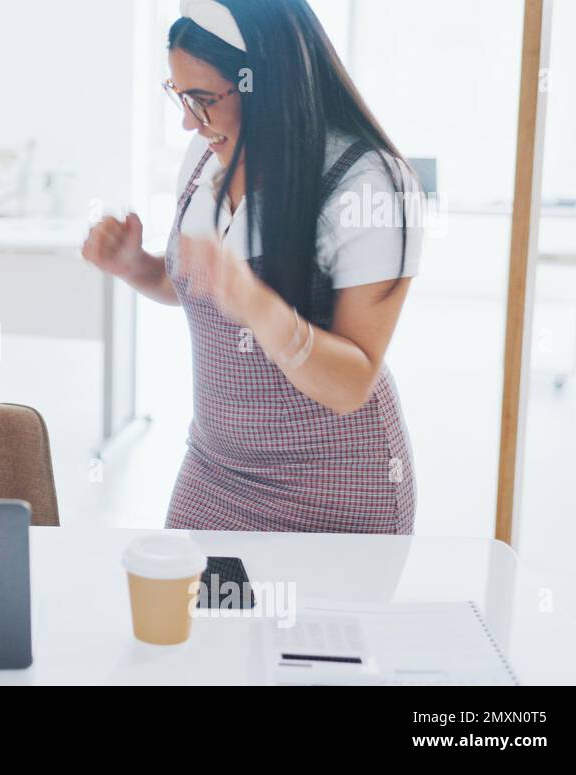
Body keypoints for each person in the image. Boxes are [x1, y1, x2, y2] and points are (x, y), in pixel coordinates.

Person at [83, 0, 422, 533]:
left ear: (268, 83)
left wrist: (260, 308)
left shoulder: (368, 185)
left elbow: (352, 382)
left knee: (306, 621)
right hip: (216, 471)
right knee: (193, 614)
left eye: (201, 100)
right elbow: (195, 287)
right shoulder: (205, 156)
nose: (187, 122)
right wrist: (136, 266)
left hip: (334, 489)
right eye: (178, 95)